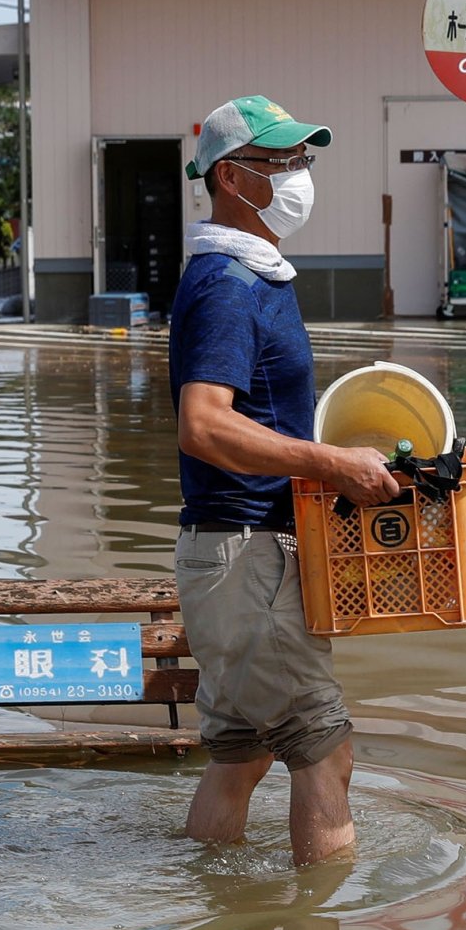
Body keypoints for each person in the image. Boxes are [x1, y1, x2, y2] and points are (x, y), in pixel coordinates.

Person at [169, 96, 400, 865]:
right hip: (249, 559)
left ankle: (213, 910)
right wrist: (332, 463)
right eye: (284, 162)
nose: (302, 176)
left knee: (241, 756)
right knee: (324, 750)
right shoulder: (226, 284)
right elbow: (203, 424)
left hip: (238, 558)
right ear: (233, 177)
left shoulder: (251, 276)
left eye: (305, 160)